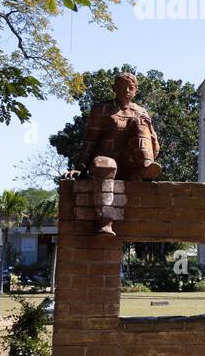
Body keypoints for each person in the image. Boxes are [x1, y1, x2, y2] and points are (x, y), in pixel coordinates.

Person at [62, 72, 162, 235]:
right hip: (105, 162)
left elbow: (154, 146)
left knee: (140, 122)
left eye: (131, 87)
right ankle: (105, 221)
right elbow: (90, 141)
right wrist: (80, 167)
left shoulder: (141, 111)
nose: (127, 90)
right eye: (123, 87)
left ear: (136, 90)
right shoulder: (101, 110)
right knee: (106, 166)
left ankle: (145, 168)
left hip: (131, 164)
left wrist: (148, 130)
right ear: (114, 88)